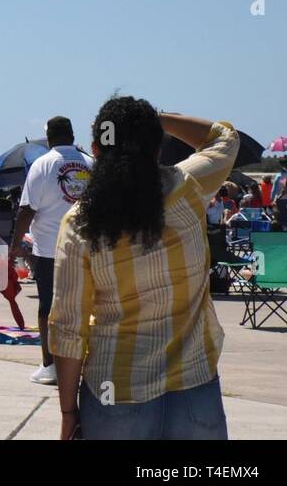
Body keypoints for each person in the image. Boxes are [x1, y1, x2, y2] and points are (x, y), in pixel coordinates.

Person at [49, 101, 237, 440]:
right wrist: (157, 118)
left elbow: (68, 328)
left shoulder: (79, 224)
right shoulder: (190, 188)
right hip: (195, 387)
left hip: (114, 392)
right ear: (158, 145)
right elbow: (223, 137)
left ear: (95, 150)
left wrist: (67, 412)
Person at [11, 115, 93, 385]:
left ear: (49, 137)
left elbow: (27, 209)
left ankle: (50, 366)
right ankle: (84, 362)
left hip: (49, 249)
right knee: (84, 305)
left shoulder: (42, 165)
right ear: (71, 134)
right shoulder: (90, 164)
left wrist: (14, 245)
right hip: (86, 247)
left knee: (48, 306)